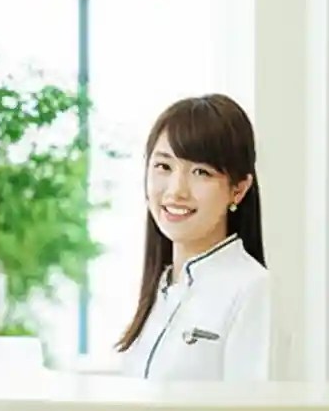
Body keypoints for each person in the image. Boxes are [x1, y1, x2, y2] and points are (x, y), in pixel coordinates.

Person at [116, 94, 271, 381]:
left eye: (201, 172)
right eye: (164, 167)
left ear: (238, 189)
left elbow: (253, 407)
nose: (176, 190)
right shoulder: (160, 287)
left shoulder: (252, 290)